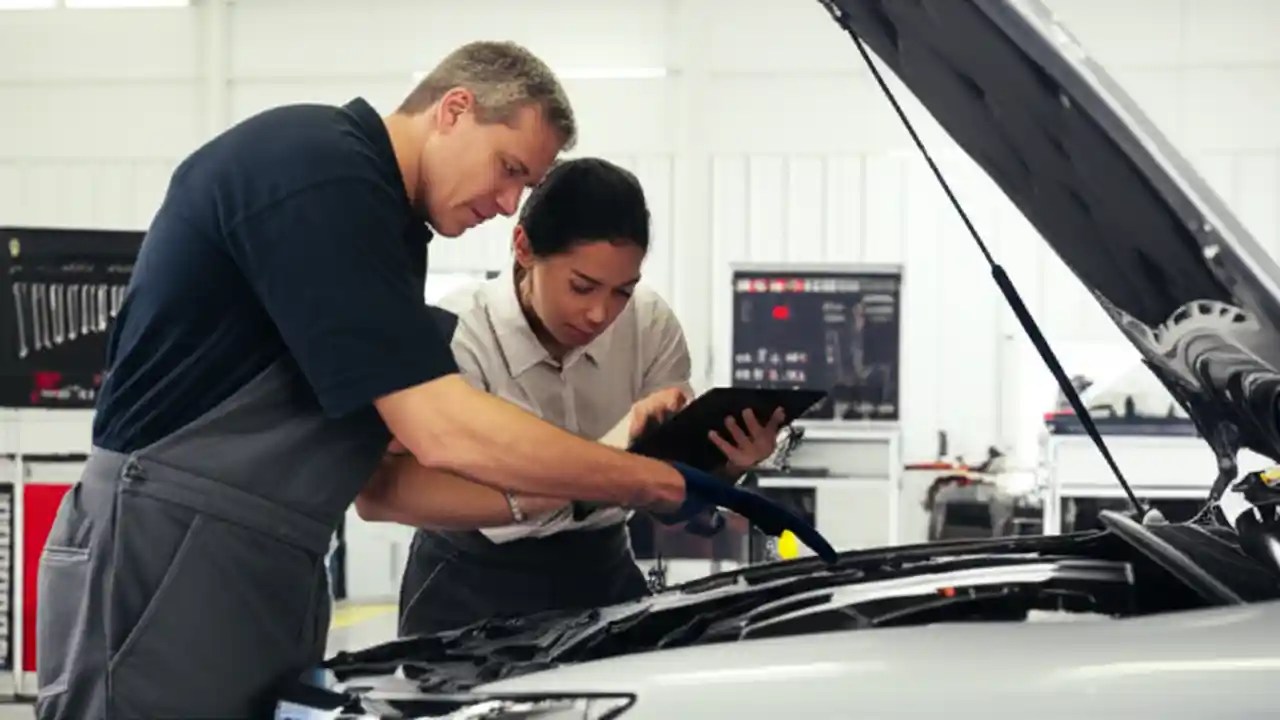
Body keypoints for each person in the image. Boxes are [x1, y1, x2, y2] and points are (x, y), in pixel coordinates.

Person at [33, 40, 832, 720]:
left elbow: (383, 474)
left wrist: (617, 481)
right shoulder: (316, 170)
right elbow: (439, 429)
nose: (511, 201)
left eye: (527, 183)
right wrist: (640, 476)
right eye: (509, 167)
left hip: (275, 553)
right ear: (453, 110)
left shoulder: (386, 225)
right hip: (168, 545)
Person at [360, 157, 786, 636]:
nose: (599, 313)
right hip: (468, 579)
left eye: (622, 290)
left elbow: (663, 500)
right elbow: (385, 496)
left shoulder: (648, 323)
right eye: (581, 287)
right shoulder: (456, 335)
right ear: (522, 248)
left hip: (602, 567)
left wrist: (722, 469)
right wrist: (617, 457)